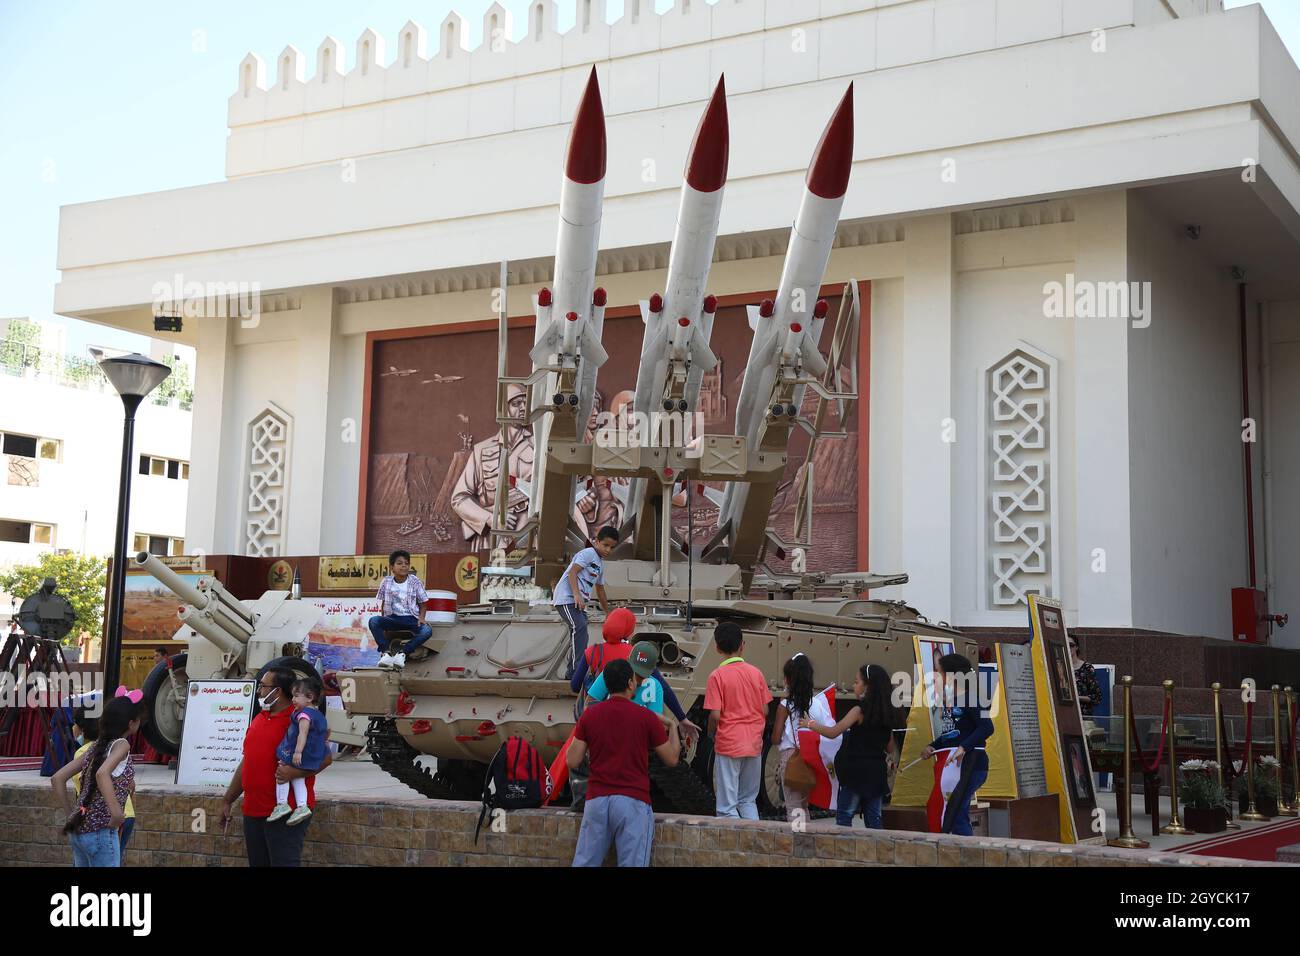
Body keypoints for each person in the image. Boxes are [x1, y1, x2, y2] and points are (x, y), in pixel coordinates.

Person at [567, 658, 680, 867]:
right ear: (630, 683)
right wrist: (672, 726)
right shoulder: (646, 717)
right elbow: (672, 759)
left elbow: (572, 760)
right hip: (633, 801)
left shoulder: (589, 716)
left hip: (597, 801)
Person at [219, 666, 333, 867]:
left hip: (284, 813)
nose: (259, 692)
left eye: (263, 686)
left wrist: (294, 772)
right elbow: (248, 762)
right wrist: (228, 799)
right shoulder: (259, 719)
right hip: (253, 811)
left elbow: (324, 758)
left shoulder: (300, 719)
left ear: (277, 691)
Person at [802, 663, 898, 828]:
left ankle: (844, 852)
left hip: (856, 773)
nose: (854, 685)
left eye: (856, 682)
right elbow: (890, 747)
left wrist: (810, 724)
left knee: (845, 817)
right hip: (876, 773)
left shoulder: (859, 711)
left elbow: (833, 732)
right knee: (874, 819)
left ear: (867, 686)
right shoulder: (887, 713)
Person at [51, 696, 140, 867]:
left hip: (79, 829)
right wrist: (117, 814)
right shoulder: (122, 744)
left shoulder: (95, 746)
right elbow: (102, 774)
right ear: (131, 723)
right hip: (101, 829)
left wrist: (71, 814)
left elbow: (57, 778)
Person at [920, 653, 995, 836]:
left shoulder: (974, 698)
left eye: (940, 672)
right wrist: (933, 746)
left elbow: (987, 727)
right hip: (957, 766)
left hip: (972, 765)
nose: (937, 677)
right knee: (954, 812)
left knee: (957, 813)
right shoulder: (952, 701)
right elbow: (950, 734)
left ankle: (968, 855)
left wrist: (964, 747)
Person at [704, 620, 772, 819]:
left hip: (728, 743)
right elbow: (765, 709)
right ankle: (752, 839)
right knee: (748, 800)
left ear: (717, 648)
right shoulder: (756, 673)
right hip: (753, 743)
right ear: (743, 645)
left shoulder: (716, 676)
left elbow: (715, 715)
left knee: (726, 806)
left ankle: (732, 845)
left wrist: (711, 732)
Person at [554, 526, 617, 679]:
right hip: (566, 598)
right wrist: (576, 595)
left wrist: (607, 612)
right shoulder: (588, 554)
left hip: (578, 602)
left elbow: (600, 590)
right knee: (579, 627)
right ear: (596, 541)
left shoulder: (600, 564)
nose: (608, 550)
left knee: (581, 633)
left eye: (612, 547)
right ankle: (577, 672)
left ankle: (571, 672)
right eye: (605, 545)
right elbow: (572, 572)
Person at [268, 676, 329, 826]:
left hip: (297, 752)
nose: (293, 699)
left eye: (296, 695)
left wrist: (297, 752)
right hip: (312, 755)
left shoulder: (304, 715)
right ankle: (302, 806)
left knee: (282, 771)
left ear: (309, 697)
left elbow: (303, 733)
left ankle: (282, 804)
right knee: (297, 778)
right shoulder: (318, 714)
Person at [367, 550, 433, 668]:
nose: (404, 566)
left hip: (411, 619)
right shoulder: (386, 582)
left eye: (406, 563)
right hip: (392, 619)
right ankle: (386, 652)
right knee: (374, 621)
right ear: (392, 567)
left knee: (427, 631)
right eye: (400, 563)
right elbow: (383, 603)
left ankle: (402, 653)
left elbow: (423, 603)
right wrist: (384, 620)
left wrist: (422, 618)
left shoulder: (415, 581)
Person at [770, 654, 816, 822]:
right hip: (809, 756)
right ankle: (807, 842)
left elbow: (775, 738)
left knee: (793, 806)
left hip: (791, 758)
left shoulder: (785, 705)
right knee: (804, 806)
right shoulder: (815, 703)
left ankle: (798, 844)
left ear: (789, 679)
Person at [1070, 638, 1101, 717]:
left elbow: (1096, 697)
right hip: (1065, 714)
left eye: (1071, 645)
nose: (1068, 647)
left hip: (1083, 715)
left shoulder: (1087, 668)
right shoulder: (1059, 667)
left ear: (1076, 647)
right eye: (1065, 644)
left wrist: (1076, 697)